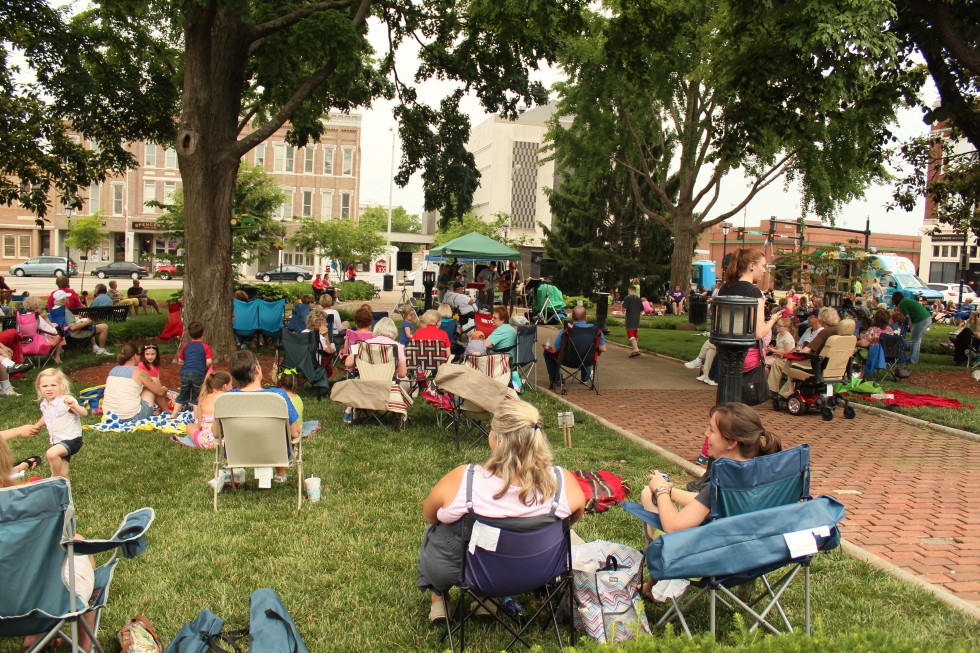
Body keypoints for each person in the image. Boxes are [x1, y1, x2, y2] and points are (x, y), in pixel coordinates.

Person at [418, 400, 586, 622]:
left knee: (437, 529)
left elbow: (429, 515)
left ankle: (439, 598)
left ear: (497, 439)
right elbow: (573, 518)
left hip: (469, 572)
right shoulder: (562, 481)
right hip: (538, 573)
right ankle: (488, 598)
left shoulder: (465, 480)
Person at [228, 349, 301, 482]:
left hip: (238, 454)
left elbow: (216, 432)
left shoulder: (226, 399)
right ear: (257, 369)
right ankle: (280, 474)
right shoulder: (278, 396)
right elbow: (295, 432)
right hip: (274, 452)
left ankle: (236, 476)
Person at [718, 249, 780, 375]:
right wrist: (774, 319)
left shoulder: (724, 289)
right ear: (752, 265)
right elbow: (759, 333)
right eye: (763, 266)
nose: (764, 270)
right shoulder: (754, 293)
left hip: (725, 354)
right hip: (747, 356)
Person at [768, 306, 841, 399]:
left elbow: (807, 349)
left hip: (815, 365)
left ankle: (785, 393)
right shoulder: (841, 333)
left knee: (789, 365)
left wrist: (789, 355)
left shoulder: (824, 332)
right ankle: (782, 391)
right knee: (784, 363)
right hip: (835, 367)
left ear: (821, 319)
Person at [29, 368, 87, 479]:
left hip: (72, 440)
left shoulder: (66, 400)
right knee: (63, 474)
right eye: (45, 386)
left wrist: (74, 406)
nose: (49, 389)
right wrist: (37, 426)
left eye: (53, 385)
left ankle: (53, 478)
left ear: (61, 385)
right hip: (57, 441)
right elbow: (46, 416)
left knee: (51, 454)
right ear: (39, 388)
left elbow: (84, 413)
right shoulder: (45, 403)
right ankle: (63, 493)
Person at [543, 305, 606, 391]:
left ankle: (557, 379)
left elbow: (555, 350)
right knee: (587, 351)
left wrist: (548, 348)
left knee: (547, 353)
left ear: (572, 317)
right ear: (586, 317)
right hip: (588, 360)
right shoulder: (596, 330)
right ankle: (585, 377)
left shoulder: (566, 330)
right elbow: (603, 349)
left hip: (568, 360)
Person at [103, 344, 169, 422]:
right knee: (154, 381)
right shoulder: (139, 372)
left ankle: (160, 410)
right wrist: (165, 389)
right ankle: (166, 410)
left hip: (109, 415)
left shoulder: (113, 370)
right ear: (135, 356)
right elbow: (160, 392)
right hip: (132, 416)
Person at [172, 369, 232, 449]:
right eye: (231, 384)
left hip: (206, 442)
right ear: (225, 386)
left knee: (189, 426)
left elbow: (200, 425)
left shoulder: (202, 398)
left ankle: (199, 442)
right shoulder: (228, 398)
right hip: (227, 442)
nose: (232, 387)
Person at [49, 289, 112, 356]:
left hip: (63, 334)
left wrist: (74, 317)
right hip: (73, 335)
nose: (69, 299)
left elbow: (61, 319)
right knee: (104, 327)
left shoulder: (53, 310)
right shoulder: (65, 311)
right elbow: (73, 327)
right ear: (63, 300)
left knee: (89, 326)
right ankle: (101, 350)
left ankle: (95, 347)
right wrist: (88, 322)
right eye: (67, 298)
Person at [172, 321, 212, 417]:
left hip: (185, 373)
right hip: (198, 374)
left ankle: (173, 414)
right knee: (196, 396)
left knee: (182, 394)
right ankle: (196, 417)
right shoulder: (205, 346)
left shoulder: (186, 345)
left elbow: (180, 360)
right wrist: (205, 367)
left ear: (189, 334)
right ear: (203, 333)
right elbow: (209, 361)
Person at [21, 296, 66, 365]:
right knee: (60, 333)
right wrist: (46, 318)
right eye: (40, 306)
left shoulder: (22, 317)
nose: (41, 307)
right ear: (35, 309)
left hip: (24, 344)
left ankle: (57, 358)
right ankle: (57, 358)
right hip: (38, 345)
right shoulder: (37, 318)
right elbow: (53, 331)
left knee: (56, 329)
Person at [892, 292, 931, 364]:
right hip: (925, 318)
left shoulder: (902, 304)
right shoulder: (905, 301)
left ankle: (913, 360)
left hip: (921, 319)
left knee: (914, 340)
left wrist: (910, 327)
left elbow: (907, 318)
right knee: (916, 340)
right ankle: (913, 358)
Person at [138, 342, 170, 414]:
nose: (150, 357)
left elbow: (158, 382)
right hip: (143, 392)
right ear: (143, 354)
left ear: (157, 354)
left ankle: (164, 409)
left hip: (154, 391)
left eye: (153, 354)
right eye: (147, 354)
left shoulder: (155, 366)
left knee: (167, 393)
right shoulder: (141, 366)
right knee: (157, 388)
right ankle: (166, 410)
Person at [623, 285, 643, 358]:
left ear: (629, 290)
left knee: (630, 334)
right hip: (637, 319)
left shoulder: (627, 298)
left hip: (630, 318)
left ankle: (636, 349)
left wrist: (623, 311)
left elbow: (624, 309)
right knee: (635, 334)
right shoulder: (639, 299)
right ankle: (634, 349)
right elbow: (641, 311)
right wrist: (639, 318)